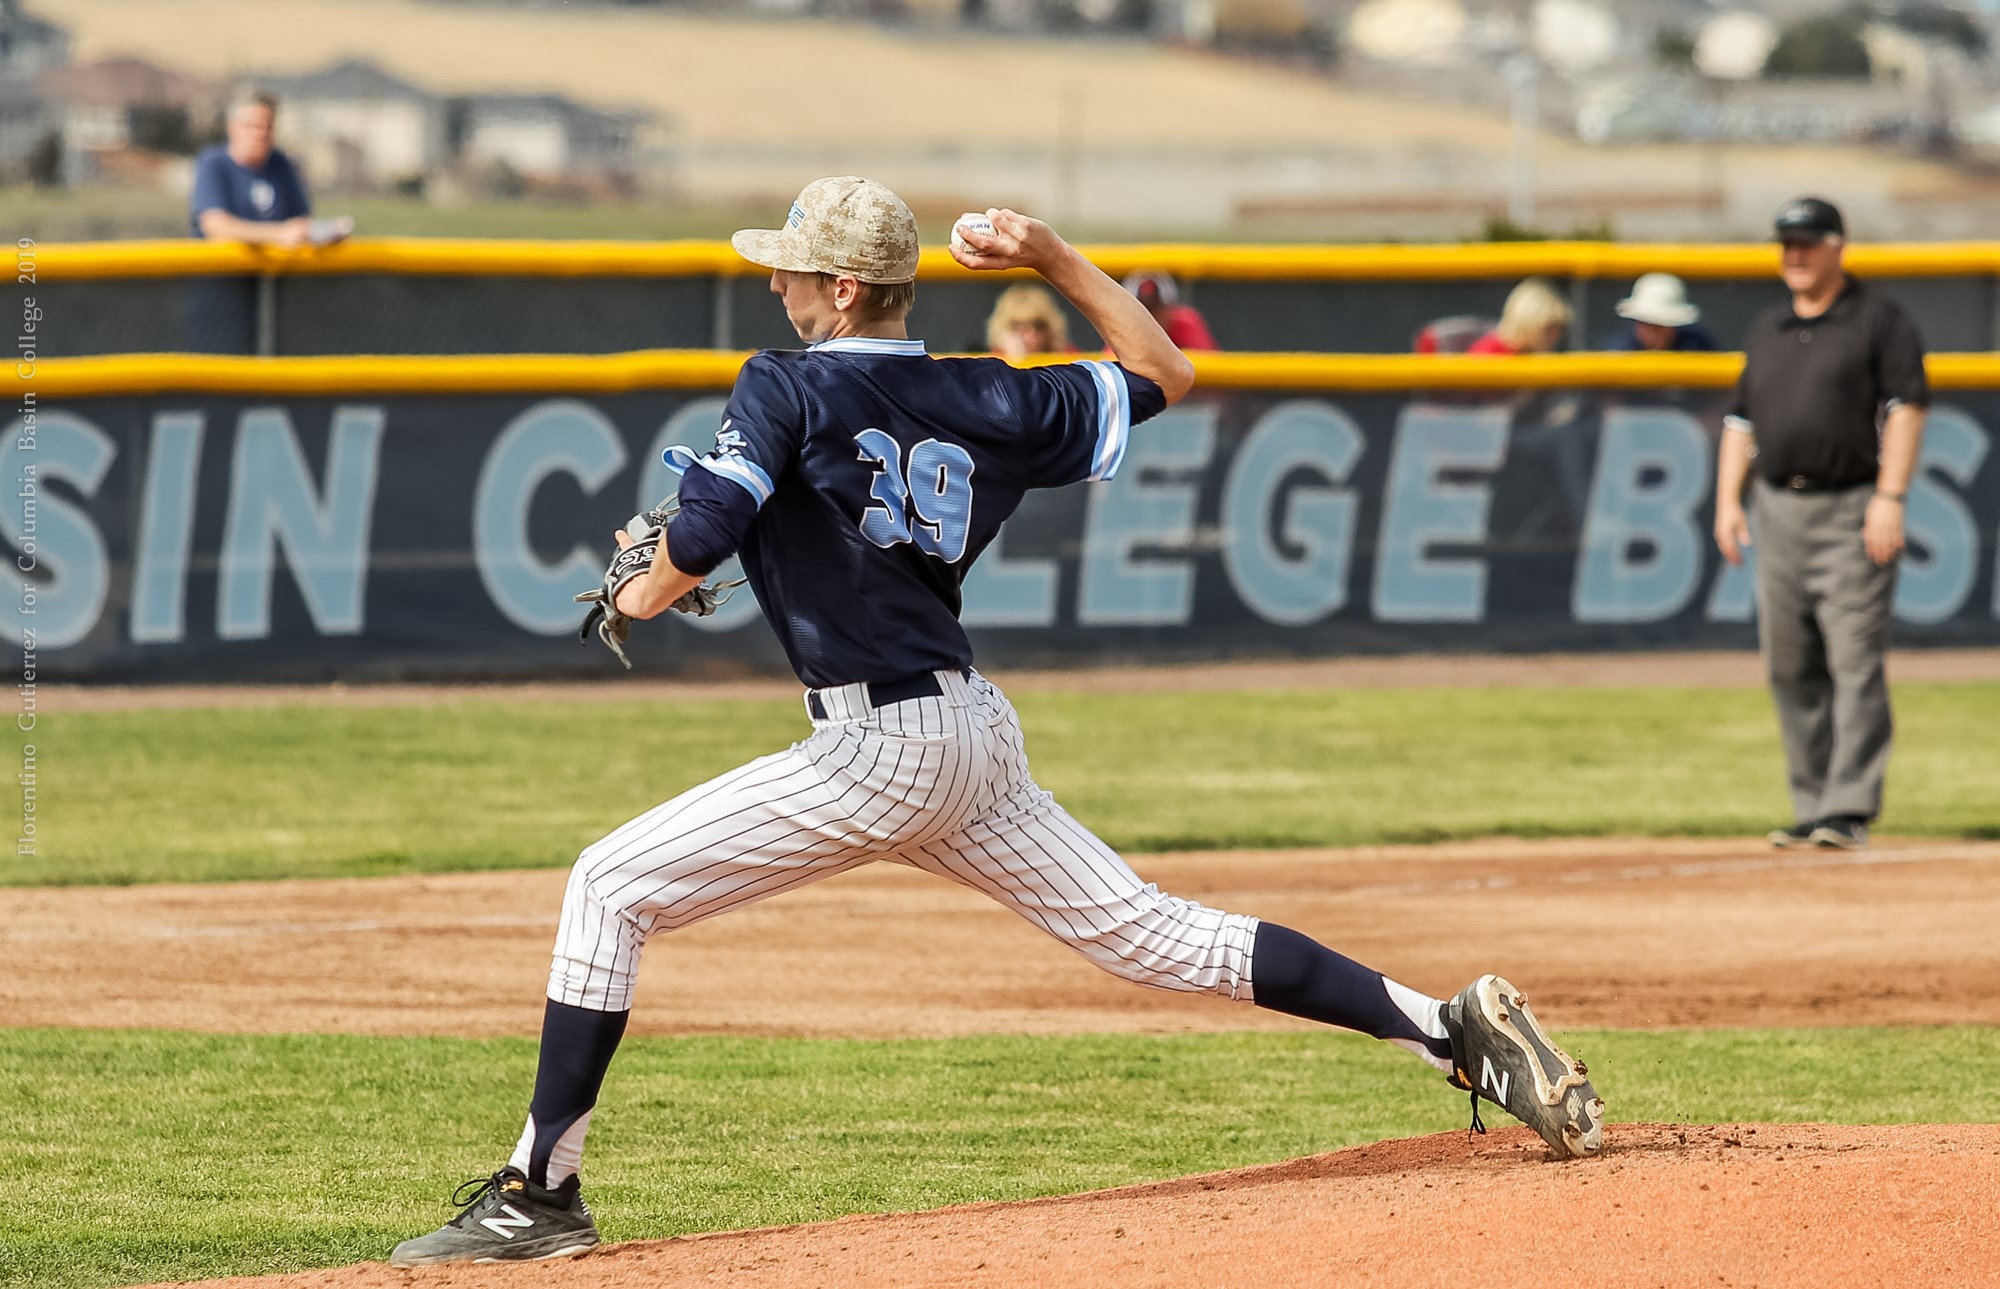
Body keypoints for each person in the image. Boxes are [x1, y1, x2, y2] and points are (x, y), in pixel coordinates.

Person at [387, 177, 1604, 1268]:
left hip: (878, 747)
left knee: (608, 887)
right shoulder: (985, 394)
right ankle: (1445, 1028)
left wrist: (649, 583)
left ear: (843, 287)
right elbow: (1167, 373)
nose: (777, 282)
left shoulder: (783, 381)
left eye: (794, 268)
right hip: (969, 735)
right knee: (1149, 934)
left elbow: (695, 540)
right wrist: (1052, 256)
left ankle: (538, 1193)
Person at [1712, 197, 1928, 853]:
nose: (1794, 255)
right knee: (1790, 663)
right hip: (1776, 507)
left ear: (1838, 245)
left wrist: (1890, 495)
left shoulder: (1876, 319)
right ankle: (1812, 804)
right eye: (1786, 243)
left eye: (1807, 242)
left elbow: (1907, 406)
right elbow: (1741, 421)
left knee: (1854, 660)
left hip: (1851, 505)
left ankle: (1849, 805)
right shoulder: (1770, 325)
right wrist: (1728, 501)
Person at [189, 89, 315, 247]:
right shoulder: (213, 163)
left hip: (274, 269)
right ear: (232, 127)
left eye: (267, 127)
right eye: (252, 126)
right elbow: (215, 226)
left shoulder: (282, 164)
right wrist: (277, 234)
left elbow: (301, 222)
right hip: (223, 268)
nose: (260, 134)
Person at [1603, 273, 1718, 352]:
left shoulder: (1697, 346)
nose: (1647, 333)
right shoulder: (1620, 354)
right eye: (1643, 323)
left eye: (1657, 325)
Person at [1468, 277, 1572, 354]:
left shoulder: (1533, 356)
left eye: (1560, 329)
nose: (1555, 337)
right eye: (1549, 328)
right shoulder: (1490, 353)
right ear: (1528, 322)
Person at [1122, 269, 1219, 350]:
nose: (1150, 317)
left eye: (1156, 310)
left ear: (1171, 309)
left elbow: (1211, 363)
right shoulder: (1123, 327)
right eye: (1142, 311)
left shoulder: (1184, 323)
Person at [985, 282, 1076, 359]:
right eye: (1019, 326)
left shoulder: (1067, 357)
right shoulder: (994, 363)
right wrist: (1014, 363)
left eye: (1038, 325)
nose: (1030, 335)